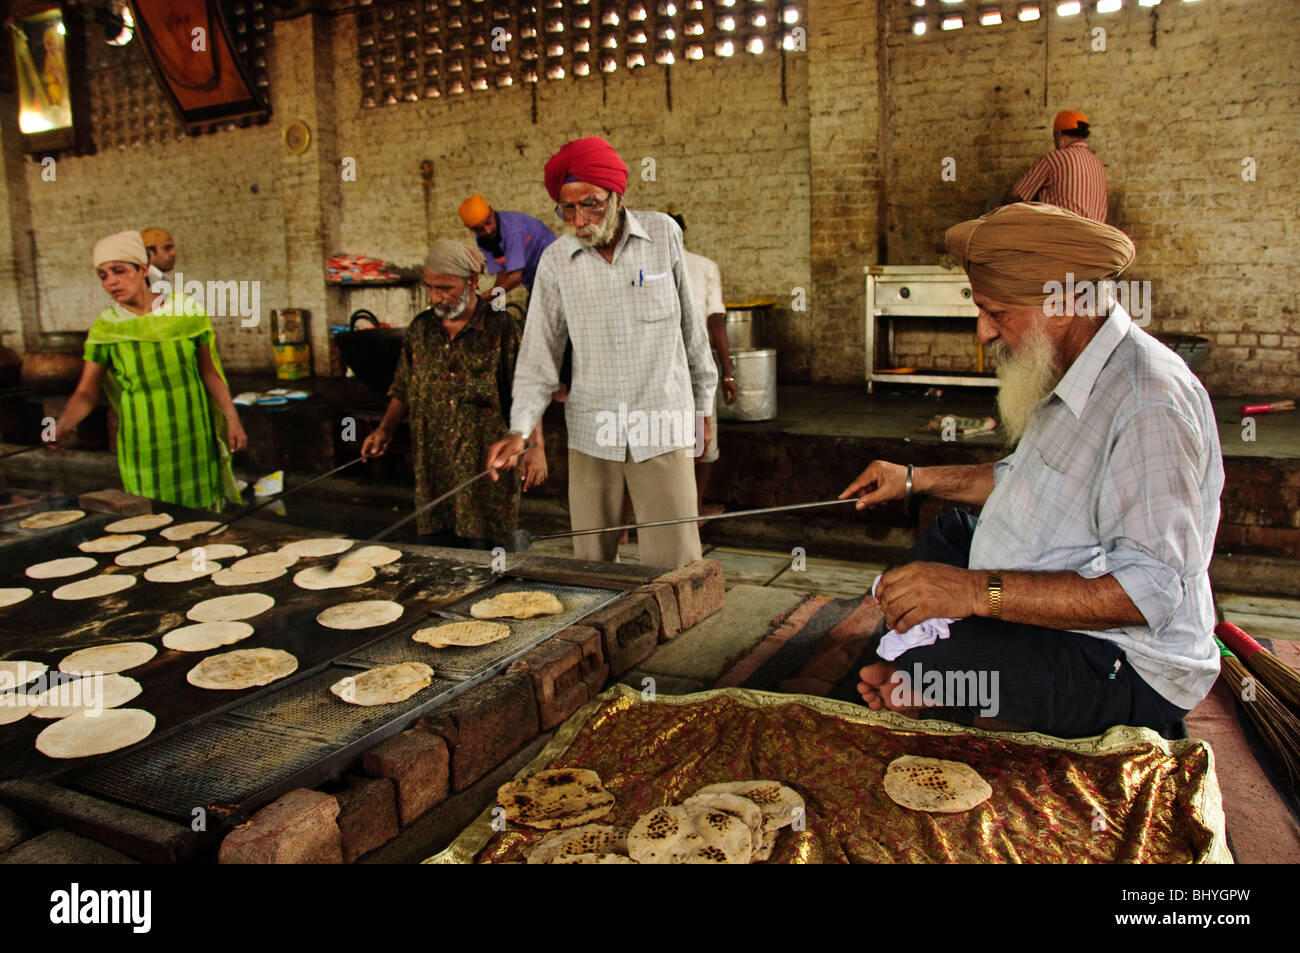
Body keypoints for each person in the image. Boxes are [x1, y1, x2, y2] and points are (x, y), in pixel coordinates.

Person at [839, 203, 1223, 739]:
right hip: (1061, 589)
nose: (983, 332)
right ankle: (915, 671)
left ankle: (921, 684)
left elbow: (1149, 593)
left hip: (1126, 666)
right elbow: (1018, 477)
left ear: (1063, 303)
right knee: (949, 535)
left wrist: (973, 592)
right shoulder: (1069, 362)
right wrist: (913, 478)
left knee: (940, 662)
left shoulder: (1148, 402)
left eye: (998, 313)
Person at [485, 136, 717, 570]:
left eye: (590, 204)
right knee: (592, 565)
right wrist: (519, 431)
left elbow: (692, 329)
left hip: (662, 419)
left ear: (616, 195)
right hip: (593, 428)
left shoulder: (663, 234)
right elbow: (539, 356)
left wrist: (704, 409)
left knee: (675, 564)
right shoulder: (556, 262)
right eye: (567, 209)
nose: (580, 219)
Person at [360, 239, 547, 550]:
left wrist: (535, 447)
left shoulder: (499, 327)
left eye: (445, 288)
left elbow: (529, 391)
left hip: (485, 468)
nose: (435, 296)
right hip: (434, 468)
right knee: (438, 554)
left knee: (487, 558)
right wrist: (385, 429)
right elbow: (404, 387)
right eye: (430, 287)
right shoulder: (421, 330)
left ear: (472, 282)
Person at [51, 230, 246, 511]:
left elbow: (210, 373)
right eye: (103, 275)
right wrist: (62, 425)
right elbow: (86, 392)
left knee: (201, 519)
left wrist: (232, 419)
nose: (111, 282)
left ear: (142, 269)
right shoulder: (107, 329)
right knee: (152, 521)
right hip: (143, 443)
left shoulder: (186, 313)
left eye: (119, 271)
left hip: (194, 436)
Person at [669, 213, 737, 518]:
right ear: (684, 235)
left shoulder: (642, 269)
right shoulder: (704, 267)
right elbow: (716, 322)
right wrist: (728, 374)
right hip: (695, 368)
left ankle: (628, 526)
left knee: (651, 444)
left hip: (657, 369)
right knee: (703, 445)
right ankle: (692, 512)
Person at [998, 110, 1108, 223]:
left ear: (1058, 134)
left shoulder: (1053, 159)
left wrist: (997, 211)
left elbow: (1015, 196)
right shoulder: (1098, 164)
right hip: (1095, 238)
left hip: (1062, 236)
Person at [458, 194, 557, 297]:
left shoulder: (513, 230)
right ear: (470, 229)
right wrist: (496, 306)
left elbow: (515, 278)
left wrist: (484, 298)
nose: (487, 231)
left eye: (488, 222)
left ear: (491, 211)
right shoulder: (483, 241)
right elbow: (501, 276)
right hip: (534, 279)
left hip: (555, 270)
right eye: (480, 229)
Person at [141, 226, 175, 292]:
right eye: (167, 248)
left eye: (173, 248)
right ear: (149, 253)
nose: (173, 253)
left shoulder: (162, 278)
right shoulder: (143, 282)